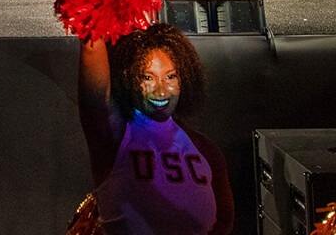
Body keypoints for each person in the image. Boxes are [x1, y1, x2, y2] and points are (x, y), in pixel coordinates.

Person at [77, 23, 232, 234]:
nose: (161, 91)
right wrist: (91, 13)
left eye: (170, 77)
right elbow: (93, 74)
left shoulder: (204, 148)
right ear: (128, 79)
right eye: (147, 77)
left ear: (184, 79)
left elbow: (224, 219)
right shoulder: (115, 134)